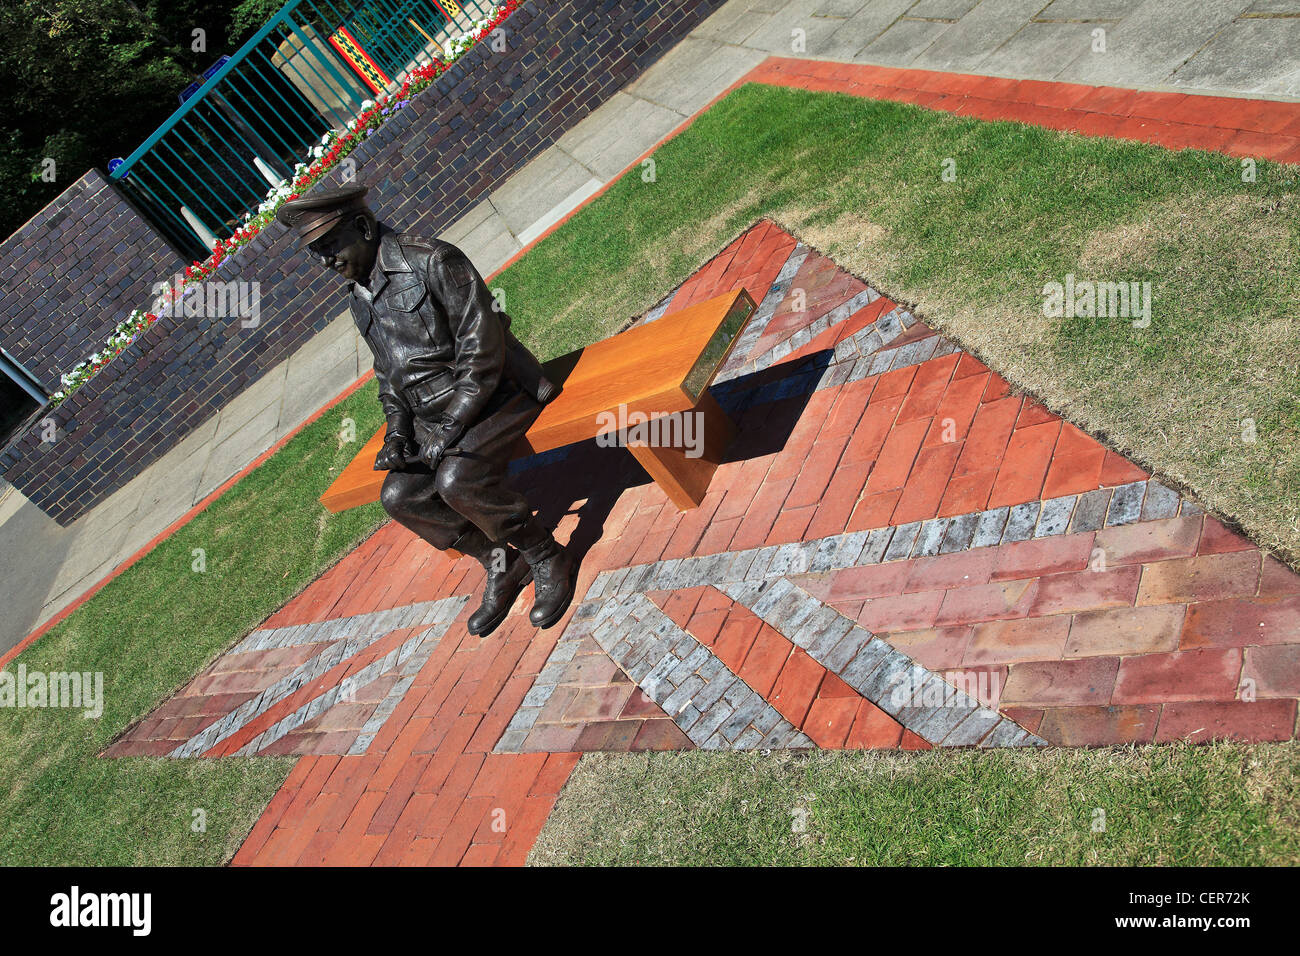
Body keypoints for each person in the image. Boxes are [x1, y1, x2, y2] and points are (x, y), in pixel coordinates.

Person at [276, 186, 573, 634]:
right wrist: (397, 432)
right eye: (315, 253)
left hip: (494, 395)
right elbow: (387, 373)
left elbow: (483, 349)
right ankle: (502, 562)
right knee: (400, 496)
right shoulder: (360, 296)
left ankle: (545, 554)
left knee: (457, 481)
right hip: (430, 418)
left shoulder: (433, 259)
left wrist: (451, 425)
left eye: (328, 246)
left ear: (362, 227)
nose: (324, 262)